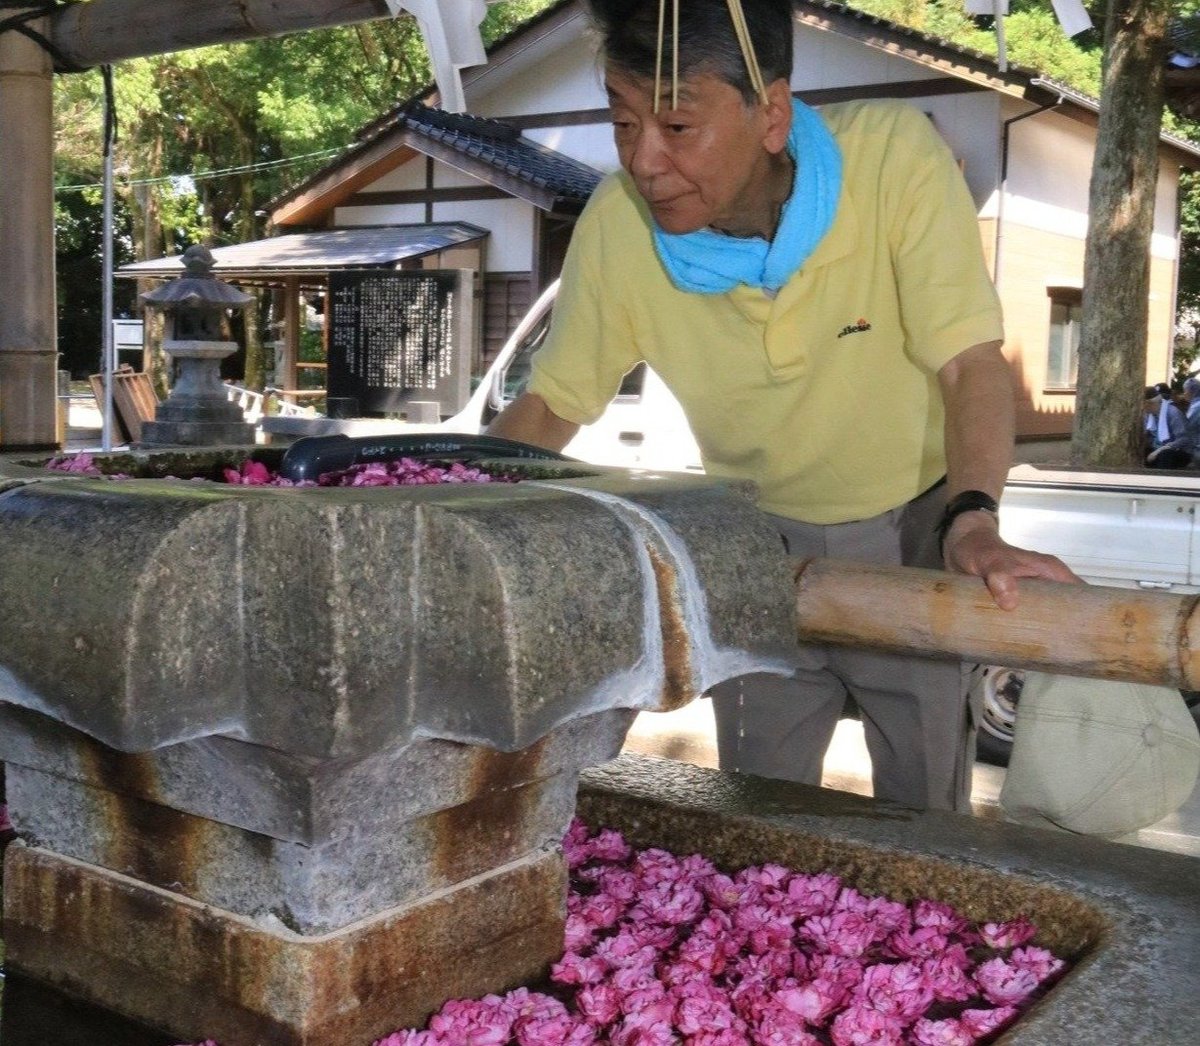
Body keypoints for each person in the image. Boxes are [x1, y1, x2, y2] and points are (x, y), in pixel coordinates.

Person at [488, 0, 1077, 811]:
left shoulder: (891, 160)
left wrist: (973, 518)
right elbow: (551, 406)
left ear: (771, 112)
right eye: (624, 125)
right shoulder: (619, 227)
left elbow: (970, 360)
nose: (644, 162)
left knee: (930, 814)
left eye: (677, 126)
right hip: (760, 554)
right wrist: (456, 515)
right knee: (761, 811)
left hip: (916, 532)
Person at [1148, 376, 1200, 468]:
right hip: (1161, 447)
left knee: (1165, 454)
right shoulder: (1149, 415)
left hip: (1183, 449)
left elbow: (1184, 438)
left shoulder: (1173, 412)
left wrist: (1160, 450)